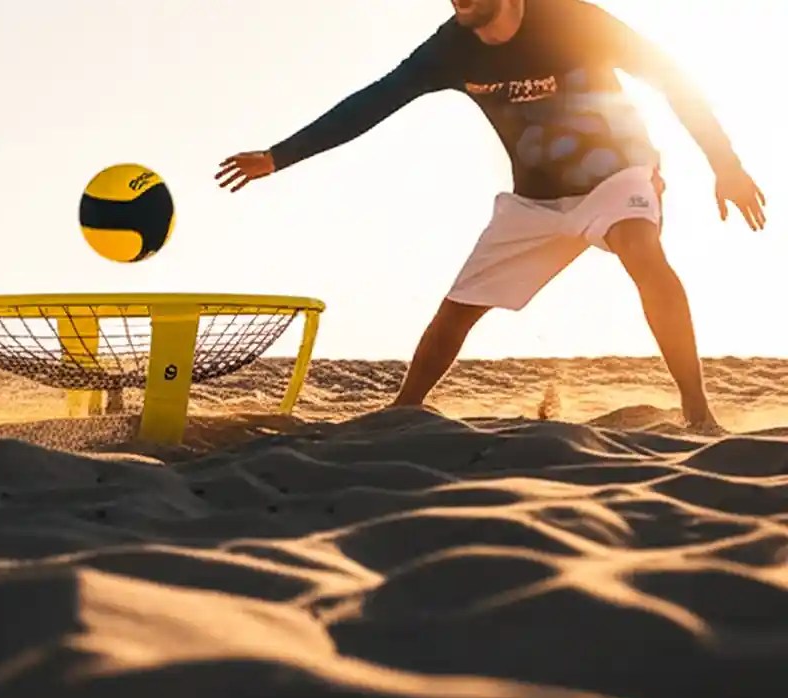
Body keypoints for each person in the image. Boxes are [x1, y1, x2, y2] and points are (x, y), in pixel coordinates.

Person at [215, 0, 767, 433]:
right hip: (533, 201)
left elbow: (672, 78)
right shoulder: (450, 49)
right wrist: (278, 156)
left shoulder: (573, 20)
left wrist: (727, 166)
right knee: (457, 310)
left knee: (642, 252)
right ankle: (402, 411)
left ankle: (697, 411)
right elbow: (373, 102)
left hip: (617, 176)